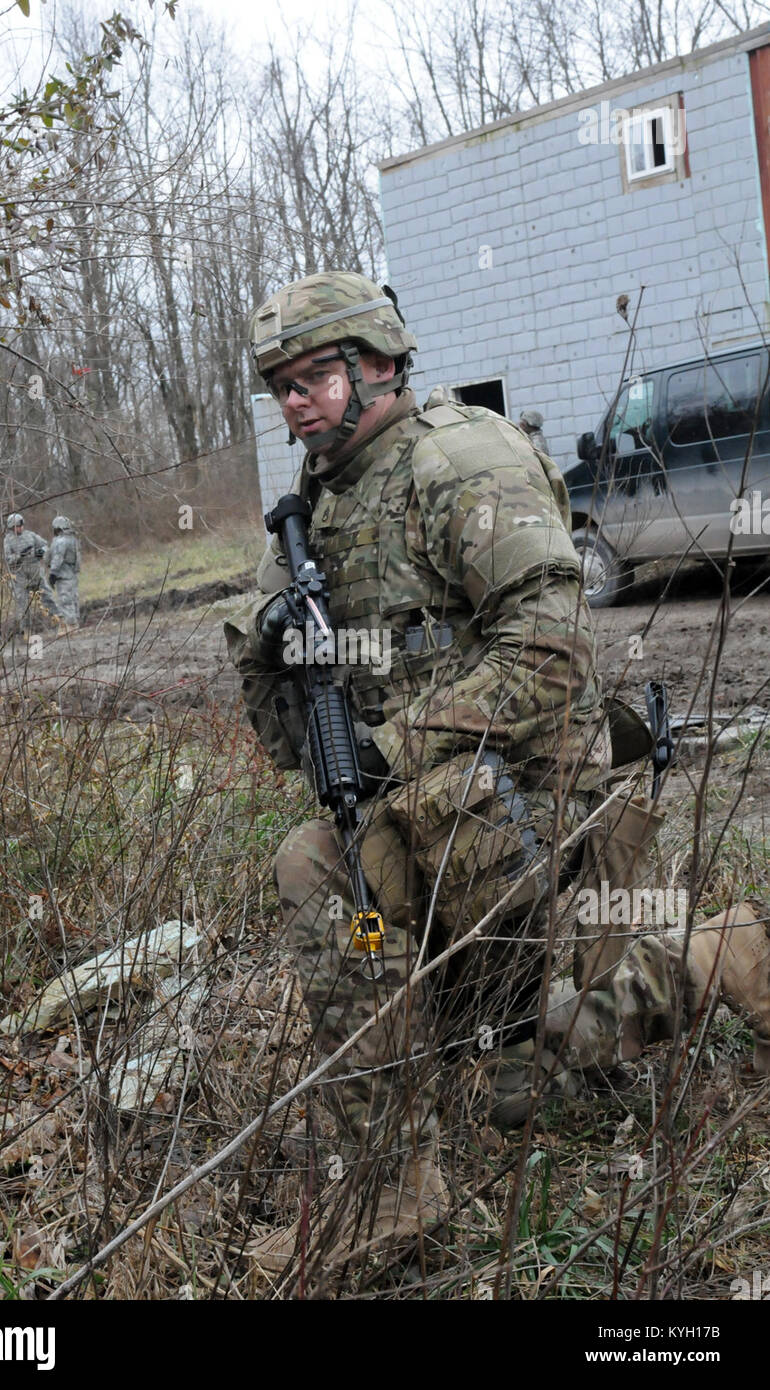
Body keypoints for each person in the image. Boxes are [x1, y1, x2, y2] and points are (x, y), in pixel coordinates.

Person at [225, 271, 769, 1281]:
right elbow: (285, 726)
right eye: (281, 388)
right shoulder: (317, 511)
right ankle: (392, 1181)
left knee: (547, 1044)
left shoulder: (457, 461)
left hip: (531, 808)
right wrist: (267, 649)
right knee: (326, 877)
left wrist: (401, 742)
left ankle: (715, 951)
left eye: (313, 379)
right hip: (418, 814)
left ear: (378, 364)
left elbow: (551, 646)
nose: (296, 403)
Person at [2, 513, 57, 628]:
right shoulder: (8, 540)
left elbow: (45, 545)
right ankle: (25, 630)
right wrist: (20, 556)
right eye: (17, 526)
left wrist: (40, 553)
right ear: (12, 527)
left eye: (21, 525)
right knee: (22, 603)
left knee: (47, 596)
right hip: (19, 575)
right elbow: (8, 560)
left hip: (35, 571)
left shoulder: (30, 536)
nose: (20, 528)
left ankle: (57, 620)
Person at [47, 516, 81, 629]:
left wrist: (53, 573)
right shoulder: (73, 539)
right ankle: (75, 623)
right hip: (73, 575)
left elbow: (57, 557)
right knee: (74, 599)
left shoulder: (61, 541)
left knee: (65, 600)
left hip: (63, 575)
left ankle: (71, 626)